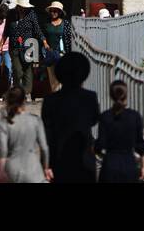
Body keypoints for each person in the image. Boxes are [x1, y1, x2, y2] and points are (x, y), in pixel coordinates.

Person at [41, 51, 100, 184]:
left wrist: (46, 163)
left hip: (59, 159)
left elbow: (47, 132)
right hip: (84, 160)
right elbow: (94, 120)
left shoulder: (50, 100)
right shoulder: (90, 97)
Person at [0, 86, 52, 184]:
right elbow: (44, 148)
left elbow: (3, 151)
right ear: (24, 101)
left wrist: (1, 172)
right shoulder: (35, 120)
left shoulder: (3, 124)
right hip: (34, 171)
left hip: (12, 171)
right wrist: (46, 168)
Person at [95, 80, 144, 183]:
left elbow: (100, 145)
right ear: (125, 95)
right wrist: (143, 167)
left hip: (109, 167)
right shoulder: (134, 116)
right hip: (129, 166)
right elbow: (141, 146)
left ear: (111, 95)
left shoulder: (105, 116)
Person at [7, 0, 46, 102]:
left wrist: (44, 41)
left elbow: (37, 30)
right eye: (22, 6)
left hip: (29, 46)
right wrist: (1, 45)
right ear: (18, 6)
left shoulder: (31, 14)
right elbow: (6, 30)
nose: (24, 8)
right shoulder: (11, 15)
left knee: (28, 72)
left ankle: (24, 92)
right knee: (17, 71)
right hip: (15, 46)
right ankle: (17, 91)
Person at [42, 1, 72, 93]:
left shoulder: (66, 24)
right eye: (52, 11)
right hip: (50, 53)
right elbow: (41, 35)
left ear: (60, 12)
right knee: (52, 77)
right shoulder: (46, 24)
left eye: (56, 11)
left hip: (62, 53)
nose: (53, 13)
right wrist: (45, 44)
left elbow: (70, 38)